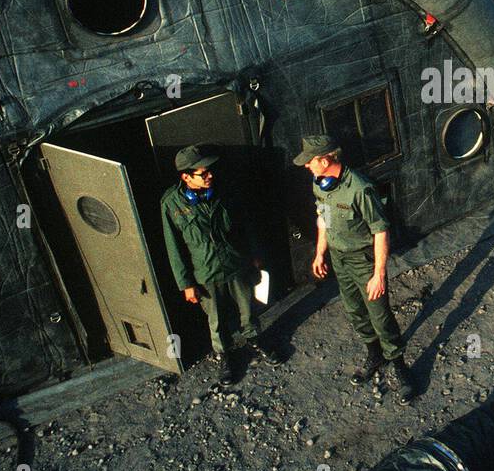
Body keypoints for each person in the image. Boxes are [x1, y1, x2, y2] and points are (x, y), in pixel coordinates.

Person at [294, 134, 416, 404]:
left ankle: (399, 366)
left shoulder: (359, 188)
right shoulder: (320, 183)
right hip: (340, 258)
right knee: (354, 311)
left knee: (380, 315)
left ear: (325, 160)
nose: (306, 166)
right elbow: (323, 218)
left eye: (310, 161)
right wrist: (320, 252)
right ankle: (374, 355)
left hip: (364, 260)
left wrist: (378, 274)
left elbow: (380, 231)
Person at [160, 144, 276, 384]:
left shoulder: (224, 189)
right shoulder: (171, 204)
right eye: (203, 173)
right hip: (205, 272)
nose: (210, 175)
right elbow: (173, 248)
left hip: (236, 264)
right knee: (216, 320)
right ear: (186, 177)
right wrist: (185, 283)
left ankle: (257, 341)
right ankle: (225, 356)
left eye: (209, 170)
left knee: (248, 309)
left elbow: (245, 224)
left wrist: (254, 254)